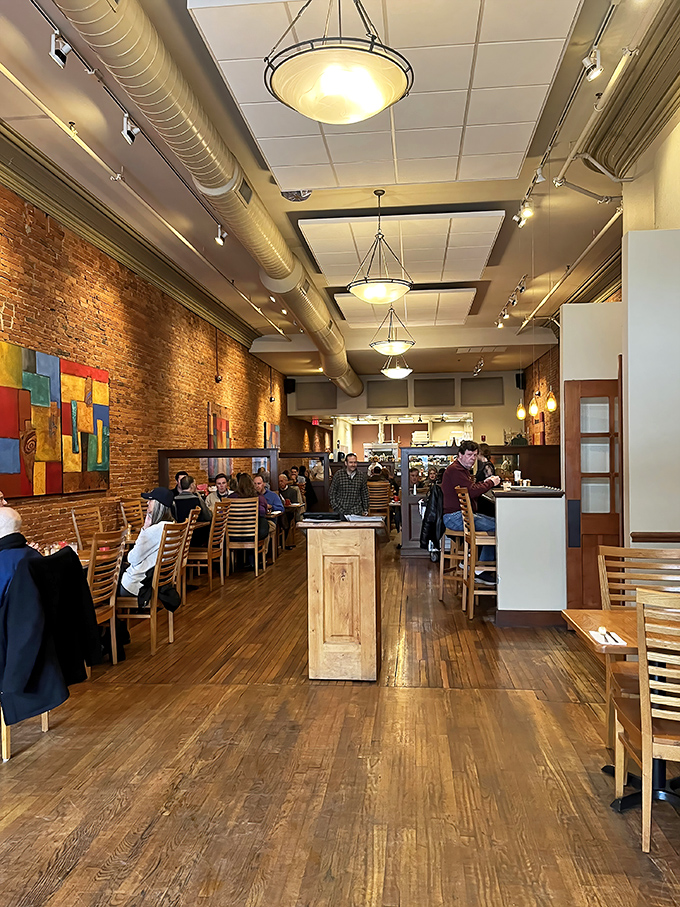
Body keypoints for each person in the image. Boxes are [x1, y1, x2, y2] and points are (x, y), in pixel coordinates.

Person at [441, 440, 501, 584]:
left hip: (459, 516)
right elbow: (471, 491)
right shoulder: (456, 470)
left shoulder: (460, 470)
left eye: (475, 455)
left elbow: (471, 488)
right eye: (469, 455)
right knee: (498, 526)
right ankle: (480, 568)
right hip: (455, 517)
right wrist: (491, 482)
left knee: (495, 524)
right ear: (460, 455)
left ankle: (471, 561)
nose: (472, 458)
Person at [119, 488, 175, 596]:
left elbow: (132, 559)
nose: (147, 503)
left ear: (158, 504)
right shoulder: (172, 525)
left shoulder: (155, 530)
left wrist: (144, 529)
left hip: (137, 585)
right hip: (159, 582)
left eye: (151, 500)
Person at [173, 475, 213, 545]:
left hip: (180, 538)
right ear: (192, 485)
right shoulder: (197, 499)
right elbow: (208, 516)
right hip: (197, 538)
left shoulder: (174, 501)